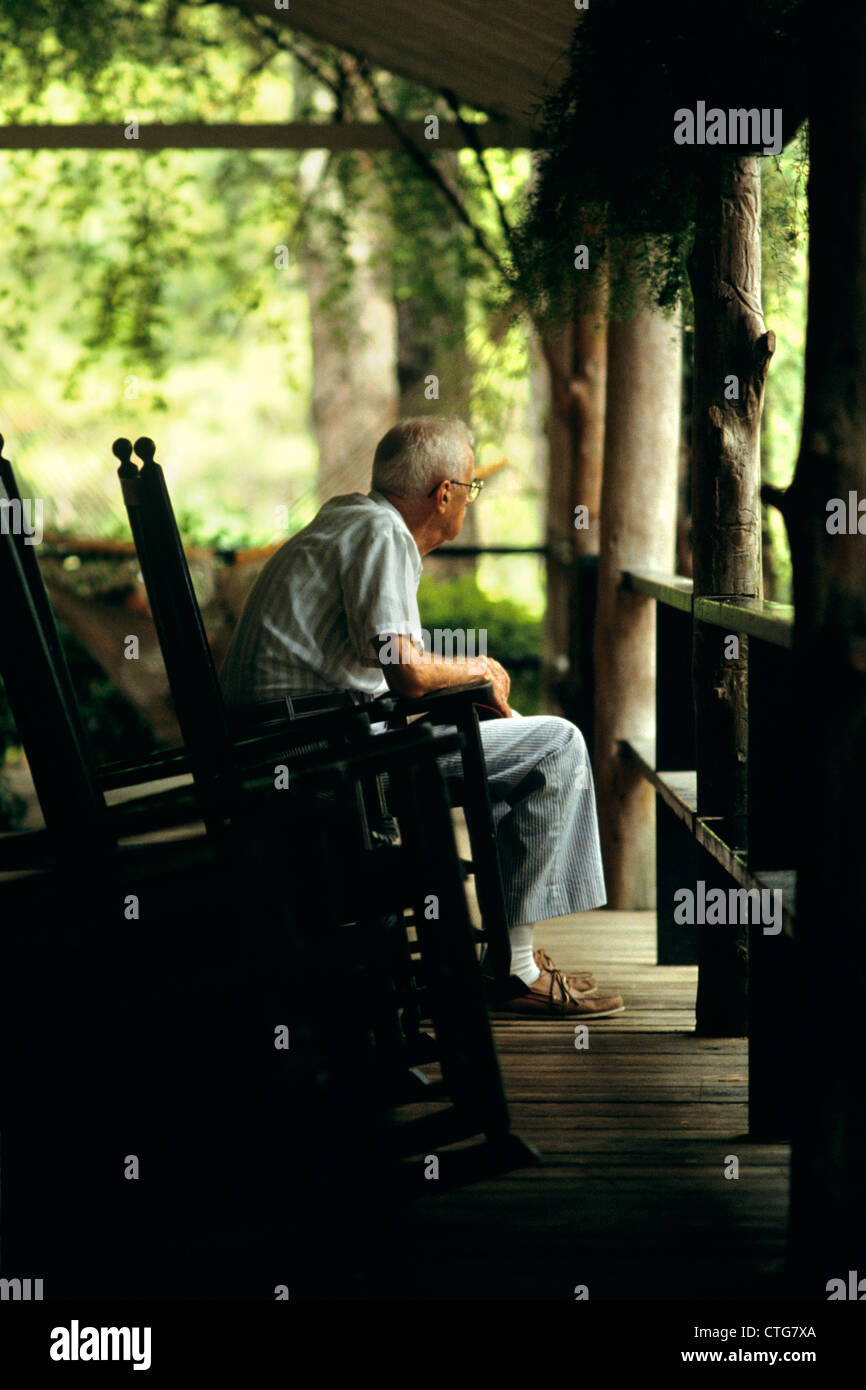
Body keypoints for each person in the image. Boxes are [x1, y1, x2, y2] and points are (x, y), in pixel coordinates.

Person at [220, 417, 624, 1018]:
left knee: (513, 763)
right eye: (469, 488)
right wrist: (479, 672)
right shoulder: (381, 534)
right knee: (557, 744)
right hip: (322, 760)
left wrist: (465, 681)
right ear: (444, 493)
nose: (466, 499)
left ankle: (515, 962)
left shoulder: (352, 522)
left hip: (304, 747)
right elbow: (405, 673)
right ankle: (513, 970)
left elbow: (388, 670)